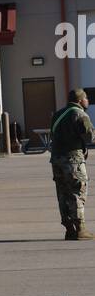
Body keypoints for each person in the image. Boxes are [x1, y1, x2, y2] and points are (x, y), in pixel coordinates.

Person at [49, 87, 95, 240]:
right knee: (77, 191)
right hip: (73, 160)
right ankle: (80, 229)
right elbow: (90, 137)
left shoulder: (58, 114)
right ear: (81, 100)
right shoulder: (80, 114)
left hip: (56, 160)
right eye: (86, 98)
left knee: (63, 193)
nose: (88, 101)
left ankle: (69, 229)